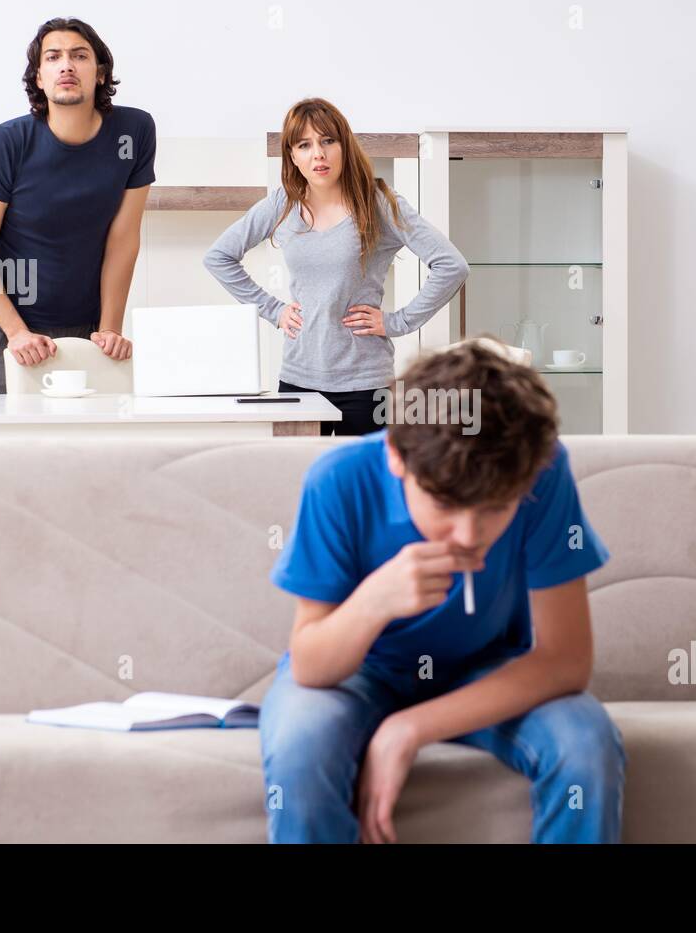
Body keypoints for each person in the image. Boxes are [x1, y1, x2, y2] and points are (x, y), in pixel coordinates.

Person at [259, 341, 627, 842]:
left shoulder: (541, 469)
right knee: (302, 746)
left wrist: (408, 729)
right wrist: (374, 601)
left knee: (586, 744)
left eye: (496, 508)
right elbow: (310, 664)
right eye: (446, 506)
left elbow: (565, 661)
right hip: (361, 674)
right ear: (395, 456)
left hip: (490, 667)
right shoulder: (338, 481)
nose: (469, 535)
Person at [203, 97, 468, 435]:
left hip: (365, 385)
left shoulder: (380, 204)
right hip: (298, 380)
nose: (319, 154)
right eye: (305, 144)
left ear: (345, 145)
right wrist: (273, 310)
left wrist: (397, 322)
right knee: (299, 481)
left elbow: (452, 265)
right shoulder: (281, 204)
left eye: (328, 140)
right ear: (293, 156)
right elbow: (219, 257)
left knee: (361, 485)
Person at [0, 17, 155, 394]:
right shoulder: (2, 145)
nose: (66, 65)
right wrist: (16, 333)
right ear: (38, 77)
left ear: (99, 73)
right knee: (14, 449)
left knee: (90, 448)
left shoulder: (134, 132)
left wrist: (109, 328)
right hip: (13, 329)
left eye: (79, 55)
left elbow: (124, 239)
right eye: (53, 57)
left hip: (90, 327)